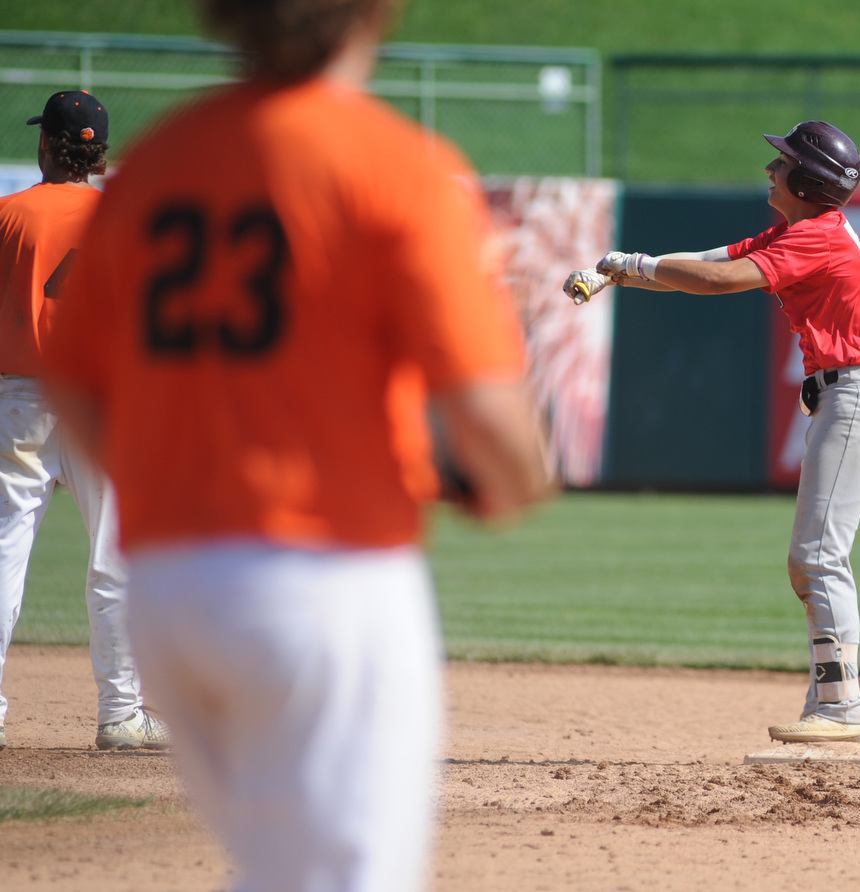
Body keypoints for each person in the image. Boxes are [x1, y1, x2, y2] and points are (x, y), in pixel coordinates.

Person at [41, 1, 553, 890]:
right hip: (324, 585)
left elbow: (76, 384)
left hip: (169, 594)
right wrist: (493, 484)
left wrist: (172, 486)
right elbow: (499, 434)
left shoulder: (155, 166)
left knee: (275, 867)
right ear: (377, 15)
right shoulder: (397, 167)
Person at [564, 121, 860, 745]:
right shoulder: (805, 230)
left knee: (818, 556)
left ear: (807, 180)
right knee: (818, 555)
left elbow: (720, 282)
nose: (771, 169)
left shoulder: (817, 239)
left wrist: (635, 265)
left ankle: (844, 707)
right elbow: (717, 260)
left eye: (783, 163)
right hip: (849, 398)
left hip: (854, 399)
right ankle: (829, 703)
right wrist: (624, 270)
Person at [0, 89, 171, 752]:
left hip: (19, 401)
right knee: (115, 558)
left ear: (47, 145)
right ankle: (122, 714)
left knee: (5, 555)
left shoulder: (8, 217)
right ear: (99, 158)